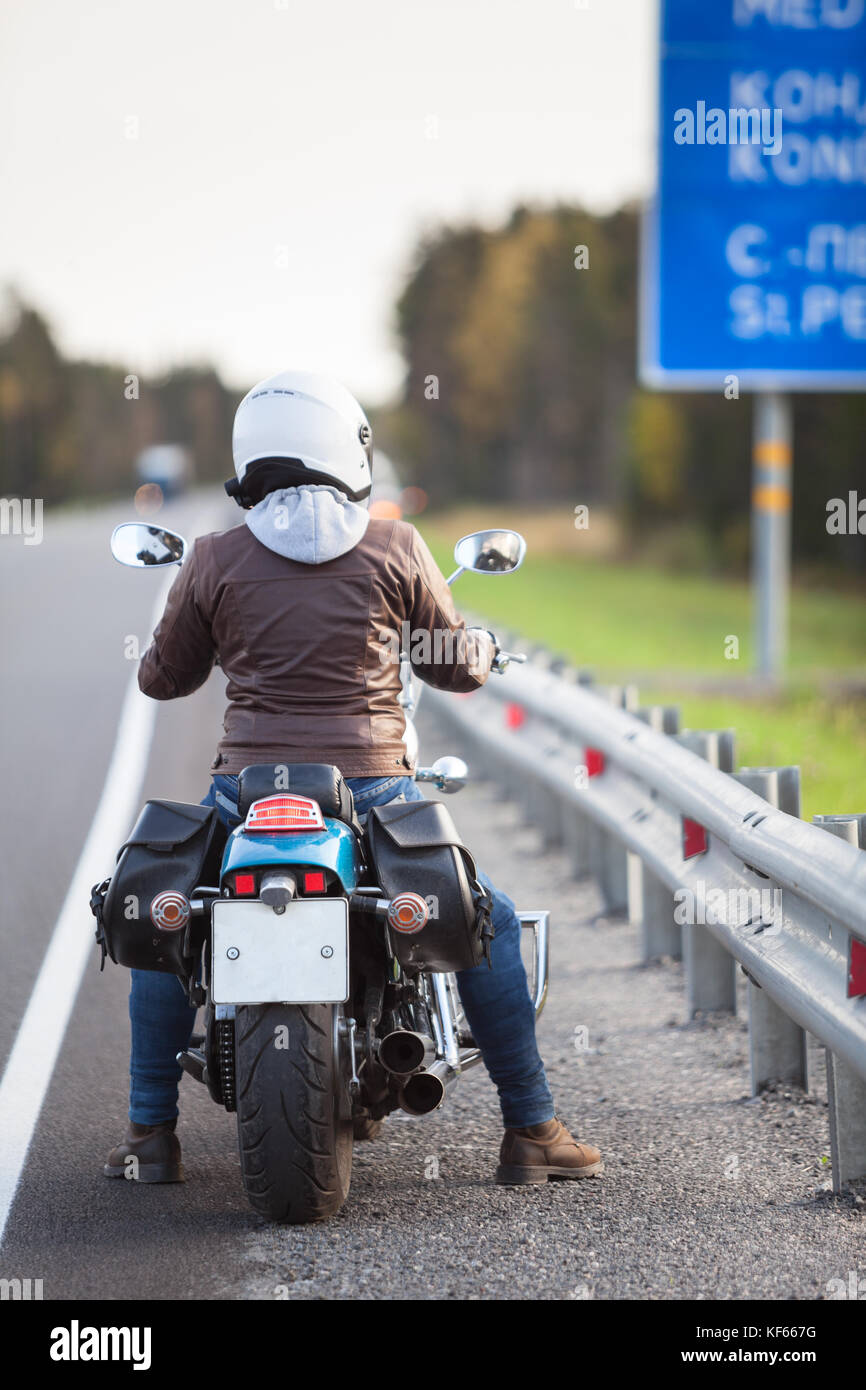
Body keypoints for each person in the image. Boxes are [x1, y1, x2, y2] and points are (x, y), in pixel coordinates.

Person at [104, 371, 603, 1188]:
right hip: (373, 789)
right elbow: (453, 670)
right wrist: (475, 647)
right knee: (488, 918)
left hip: (247, 793)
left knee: (167, 920)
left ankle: (148, 1135)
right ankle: (533, 1129)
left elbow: (163, 681)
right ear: (349, 448)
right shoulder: (396, 546)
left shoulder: (215, 556)